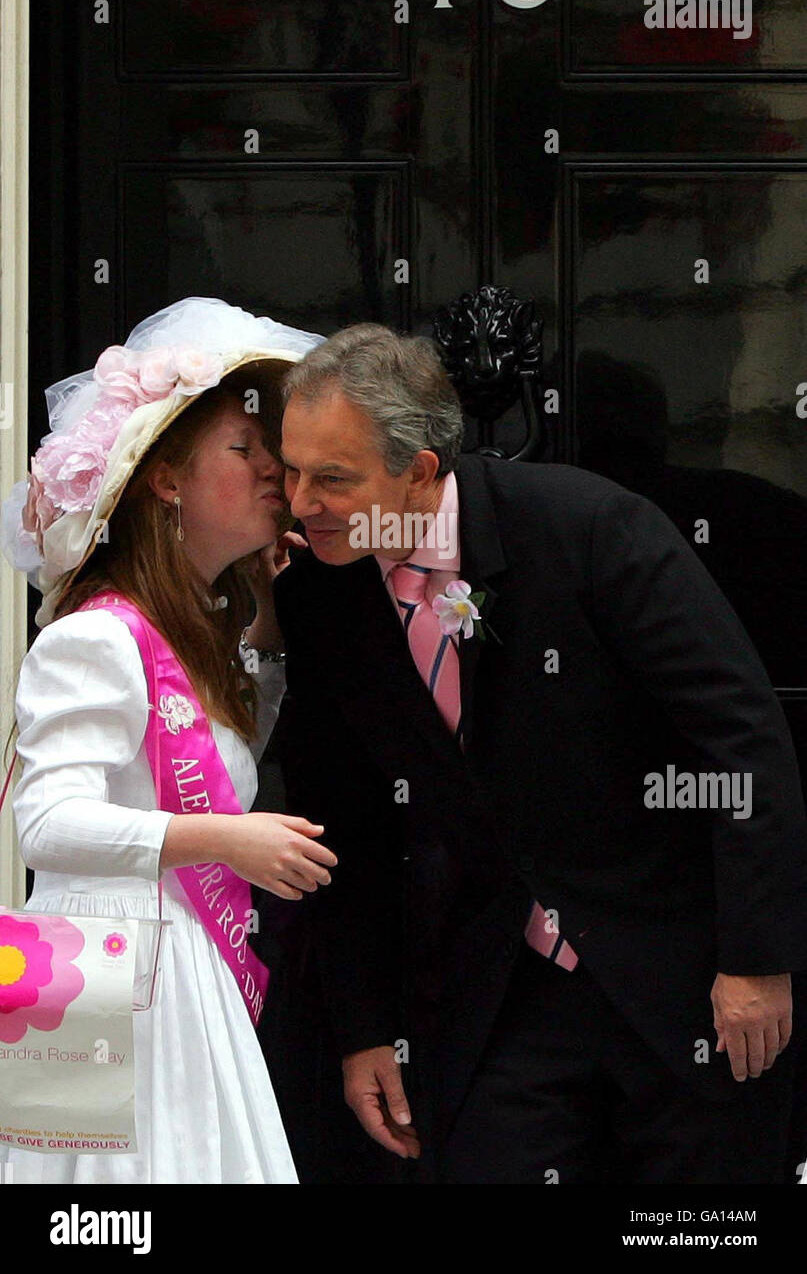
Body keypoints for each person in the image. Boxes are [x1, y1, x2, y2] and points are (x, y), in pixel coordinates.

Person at [272, 321, 807, 1184]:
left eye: (332, 478)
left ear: (418, 471)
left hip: (684, 977)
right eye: (290, 469)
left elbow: (738, 736)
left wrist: (755, 956)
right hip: (498, 997)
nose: (299, 502)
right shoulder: (321, 597)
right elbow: (348, 822)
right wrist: (364, 1025)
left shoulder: (588, 528)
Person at [0, 296, 336, 1184]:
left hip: (182, 972)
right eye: (245, 449)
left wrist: (264, 610)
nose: (277, 472)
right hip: (101, 973)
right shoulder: (95, 637)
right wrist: (223, 840)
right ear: (165, 480)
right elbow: (45, 823)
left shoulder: (196, 639)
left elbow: (226, 760)